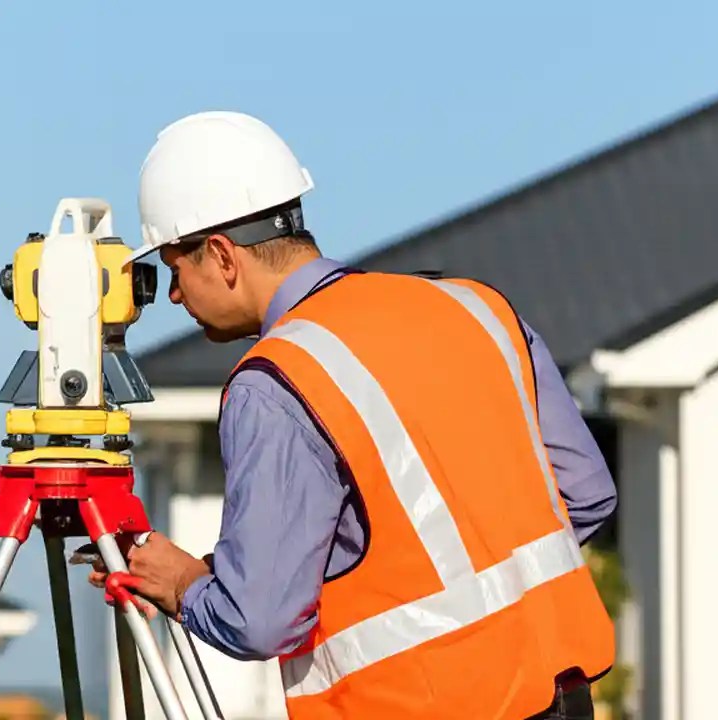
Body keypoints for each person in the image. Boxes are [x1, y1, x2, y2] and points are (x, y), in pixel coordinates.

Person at [90, 111, 617, 719]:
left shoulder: (276, 381)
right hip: (560, 696)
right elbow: (584, 497)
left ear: (221, 255)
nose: (176, 295)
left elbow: (259, 621)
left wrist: (186, 586)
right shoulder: (477, 308)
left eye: (176, 269)